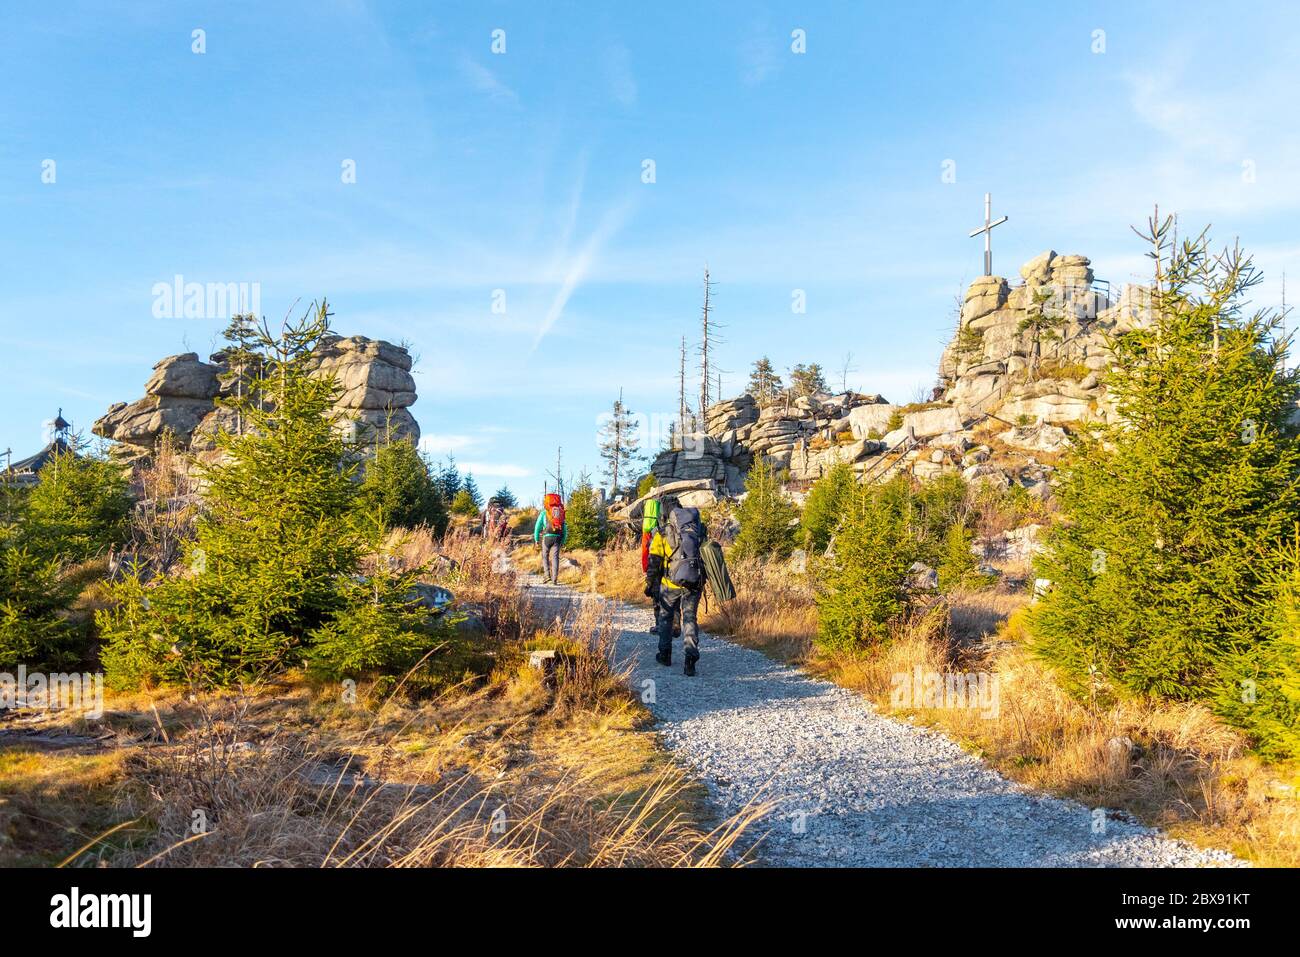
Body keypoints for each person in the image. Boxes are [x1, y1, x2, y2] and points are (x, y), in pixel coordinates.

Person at [645, 505, 707, 676]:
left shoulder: (663, 533)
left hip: (670, 583)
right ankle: (690, 659)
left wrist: (650, 583)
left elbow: (654, 561)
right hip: (694, 584)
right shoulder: (699, 531)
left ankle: (665, 654)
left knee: (666, 617)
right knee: (690, 618)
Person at [533, 491, 567, 584]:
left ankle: (547, 576)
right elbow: (564, 528)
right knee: (555, 557)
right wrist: (563, 541)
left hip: (547, 537)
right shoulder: (560, 512)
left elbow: (537, 527)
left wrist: (536, 539)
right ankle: (554, 579)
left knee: (545, 556)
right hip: (558, 537)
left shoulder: (544, 513)